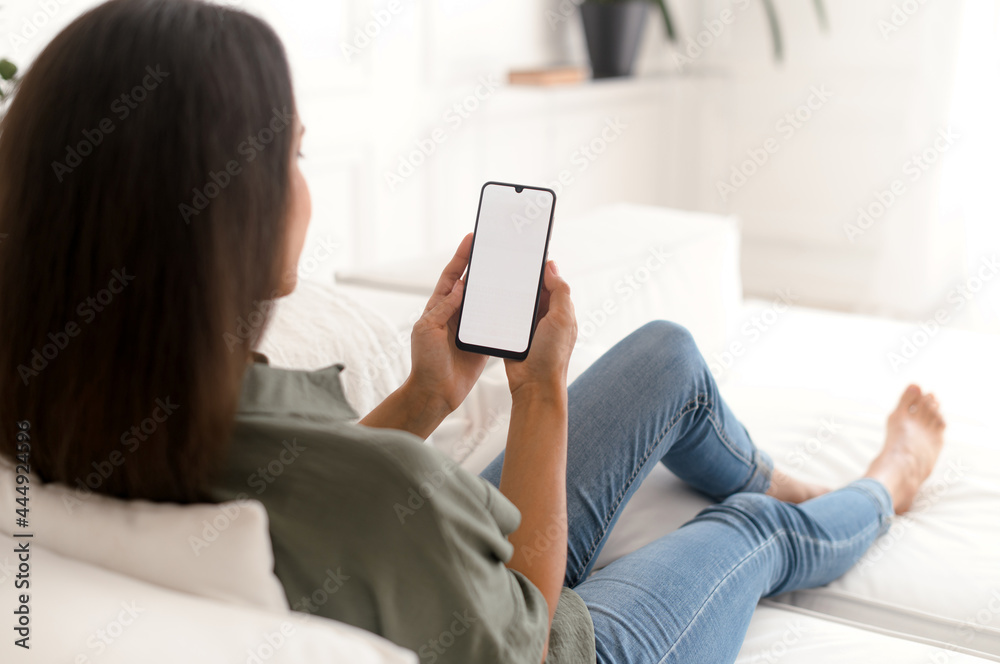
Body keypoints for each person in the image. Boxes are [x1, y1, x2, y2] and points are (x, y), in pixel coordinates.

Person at [0, 1, 946, 662]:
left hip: (424, 572)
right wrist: (536, 394)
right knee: (752, 529)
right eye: (290, 155)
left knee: (668, 355)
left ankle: (764, 464)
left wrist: (426, 396)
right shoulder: (381, 491)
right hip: (554, 640)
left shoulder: (71, 393)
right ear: (227, 214)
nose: (303, 185)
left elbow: (270, 500)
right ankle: (879, 484)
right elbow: (526, 635)